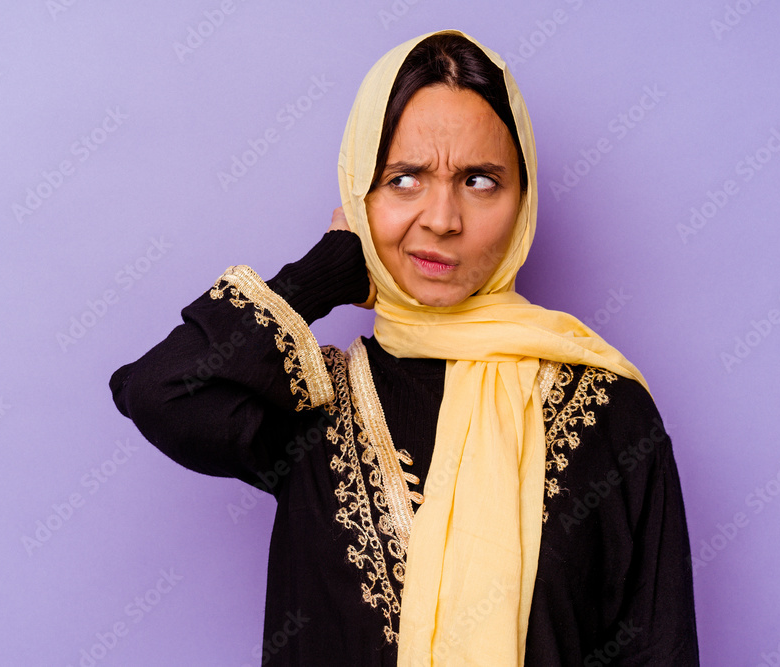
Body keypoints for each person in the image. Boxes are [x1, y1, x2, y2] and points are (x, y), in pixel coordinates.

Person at [110, 29, 699, 666]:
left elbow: (659, 650)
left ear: (522, 201)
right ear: (359, 192)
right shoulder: (312, 410)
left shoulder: (610, 413)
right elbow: (158, 389)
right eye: (403, 179)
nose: (442, 218)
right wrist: (325, 272)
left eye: (480, 180)